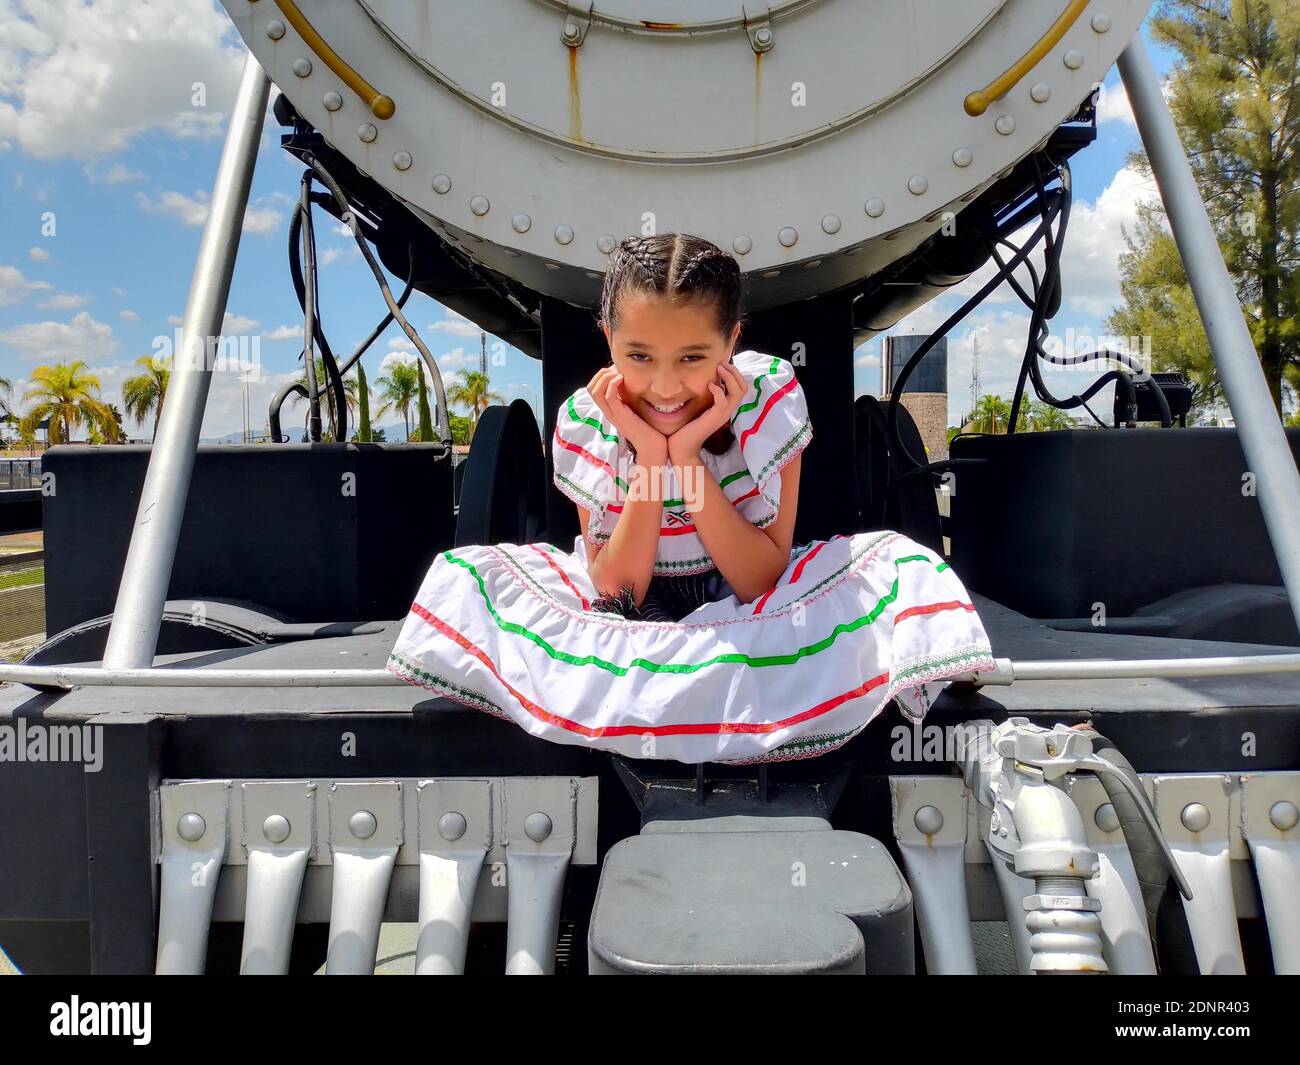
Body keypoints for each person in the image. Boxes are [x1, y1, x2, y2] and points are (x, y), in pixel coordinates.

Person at [387, 233, 995, 764]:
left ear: (731, 341)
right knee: (469, 576)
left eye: (694, 357)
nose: (667, 384)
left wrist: (689, 456)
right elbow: (619, 594)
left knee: (900, 564)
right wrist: (650, 454)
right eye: (639, 356)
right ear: (607, 338)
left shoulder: (770, 399)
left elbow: (760, 581)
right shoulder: (585, 421)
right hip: (638, 606)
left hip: (749, 598)